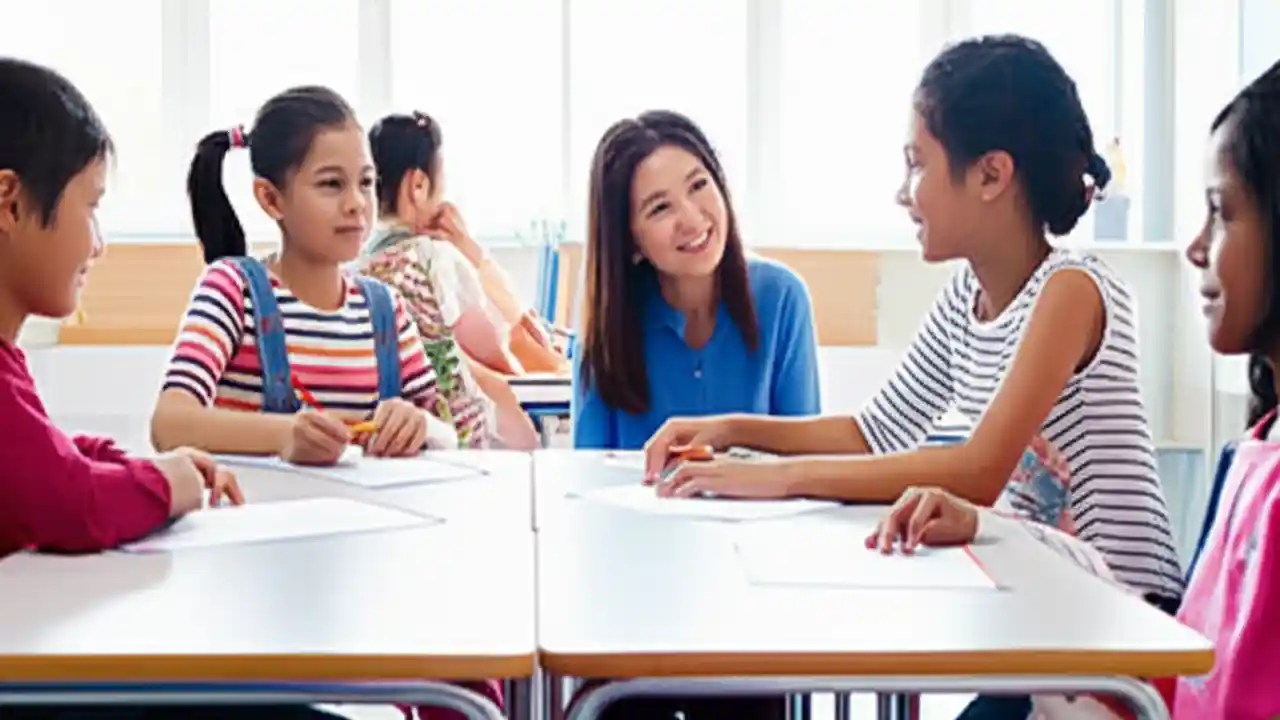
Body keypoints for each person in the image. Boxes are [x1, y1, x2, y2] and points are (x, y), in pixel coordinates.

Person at [644, 36, 1183, 609]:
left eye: (917, 164)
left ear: (991, 175)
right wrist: (727, 429)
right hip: (1046, 596)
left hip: (1126, 611)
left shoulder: (1070, 290)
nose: (903, 193)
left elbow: (976, 473)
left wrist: (776, 477)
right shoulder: (964, 297)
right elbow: (871, 434)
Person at [868, 55, 1280, 720]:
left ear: (993, 175)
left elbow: (1204, 682)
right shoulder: (1258, 449)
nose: (1195, 248)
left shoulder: (1071, 289)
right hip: (1081, 633)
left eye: (1220, 212)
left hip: (1114, 634)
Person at [150, 87, 471, 462]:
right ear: (270, 199)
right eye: (331, 184)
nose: (356, 204)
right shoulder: (233, 292)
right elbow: (168, 425)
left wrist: (419, 424)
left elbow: (447, 435)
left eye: (366, 183)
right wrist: (285, 434)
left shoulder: (386, 311)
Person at [572, 110, 821, 451]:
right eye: (660, 208)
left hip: (755, 506)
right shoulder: (607, 324)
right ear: (629, 241)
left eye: (699, 185)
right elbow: (588, 471)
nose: (691, 219)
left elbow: (805, 458)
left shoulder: (781, 298)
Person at [357, 111, 538, 449]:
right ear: (418, 186)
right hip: (455, 432)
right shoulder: (435, 258)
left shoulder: (356, 265)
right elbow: (498, 356)